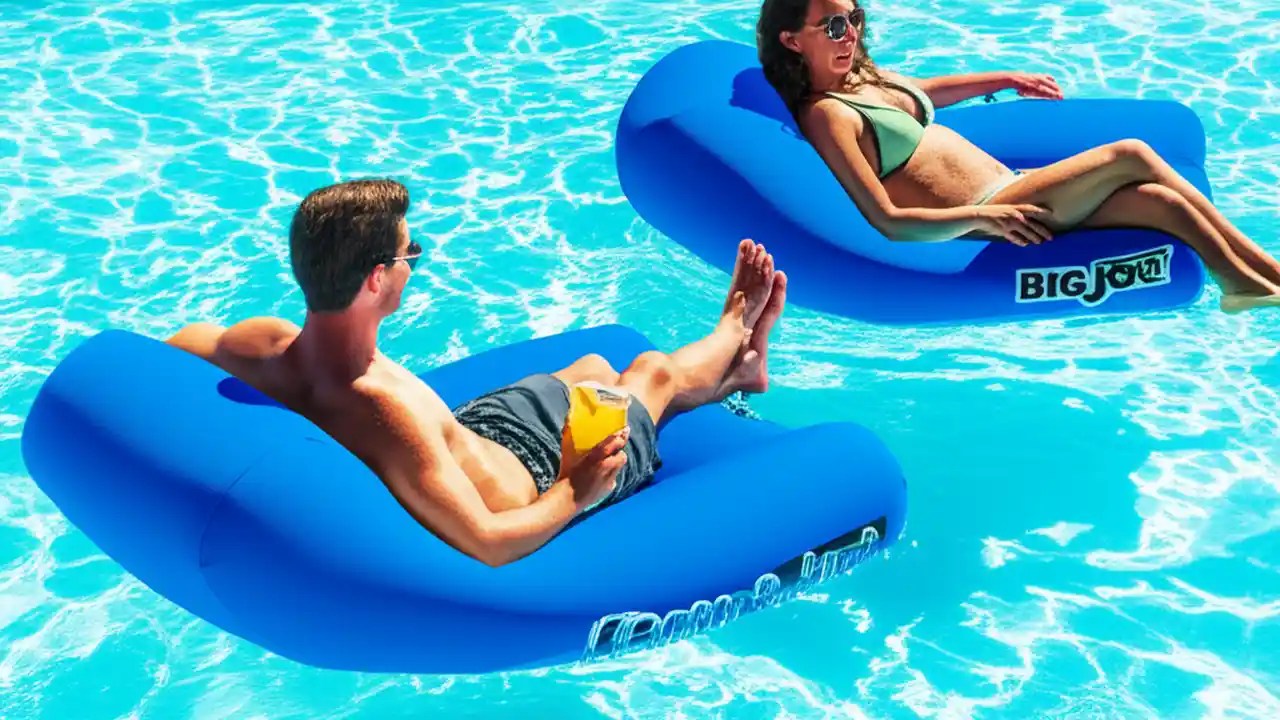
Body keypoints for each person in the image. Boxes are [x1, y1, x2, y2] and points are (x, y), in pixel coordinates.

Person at [165, 179, 788, 567]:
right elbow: (489, 542)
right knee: (651, 374)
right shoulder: (382, 410)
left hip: (478, 433)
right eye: (412, 254)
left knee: (593, 367)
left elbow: (168, 352)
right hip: (539, 470)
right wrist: (575, 488)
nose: (415, 265)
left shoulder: (260, 344)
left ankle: (737, 375)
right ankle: (735, 332)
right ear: (378, 277)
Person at [756, 0, 1280, 313]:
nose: (850, 34)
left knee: (1162, 204)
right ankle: (1248, 285)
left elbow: (923, 91)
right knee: (1132, 153)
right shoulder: (827, 114)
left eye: (854, 18)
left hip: (1016, 185)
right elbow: (888, 221)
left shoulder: (864, 78)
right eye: (832, 26)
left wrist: (1006, 80)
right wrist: (983, 216)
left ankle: (1261, 281)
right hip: (997, 209)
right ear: (792, 40)